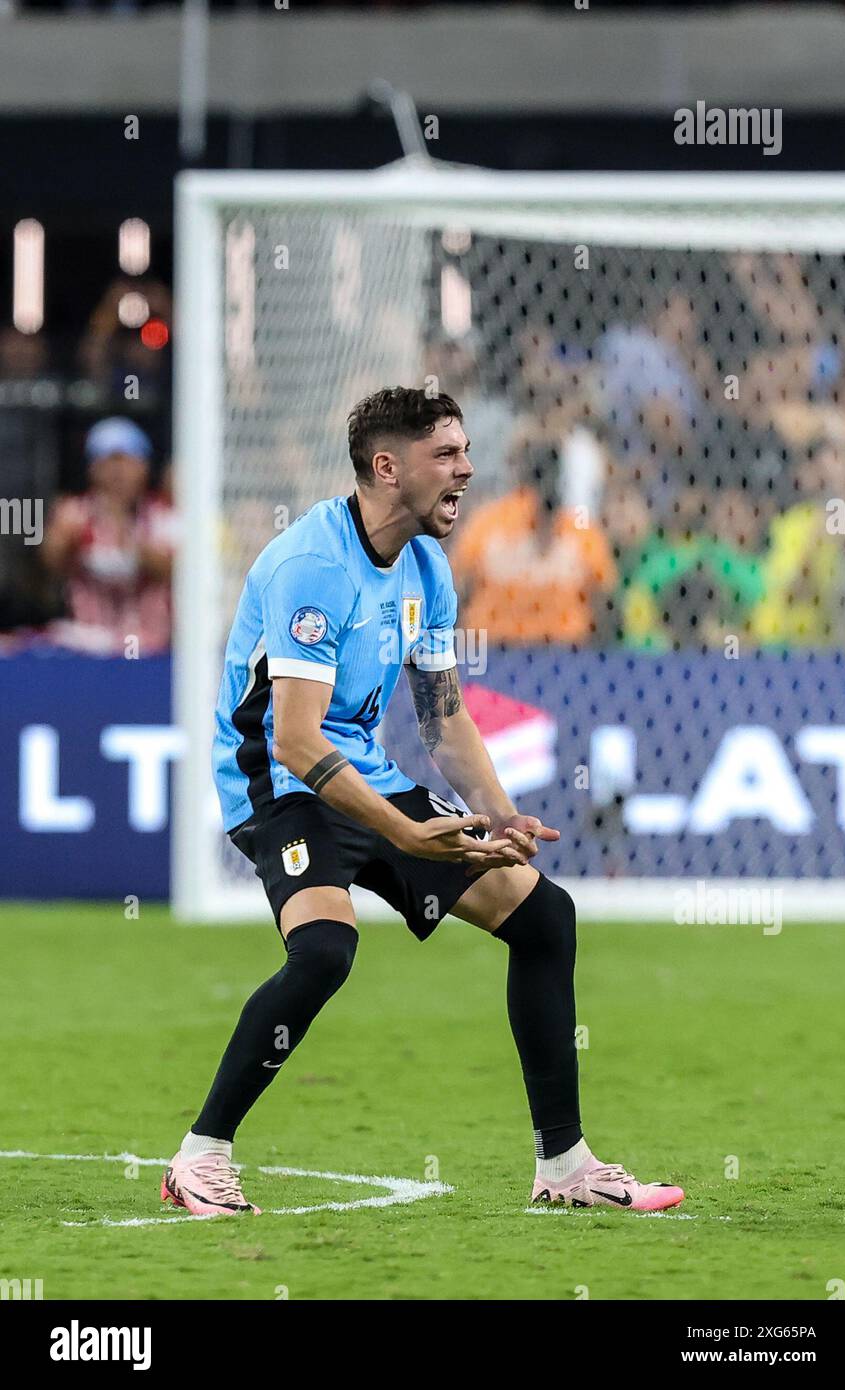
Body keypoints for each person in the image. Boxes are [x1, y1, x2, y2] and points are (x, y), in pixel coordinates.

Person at [162, 387, 684, 1217]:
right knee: (326, 950)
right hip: (276, 781)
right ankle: (200, 1156)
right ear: (386, 466)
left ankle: (565, 1166)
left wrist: (501, 815)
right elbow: (296, 740)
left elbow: (444, 723)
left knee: (544, 917)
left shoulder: (428, 569)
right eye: (447, 455)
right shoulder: (313, 567)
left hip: (360, 769)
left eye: (465, 452)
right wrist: (409, 828)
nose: (467, 470)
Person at [450, 417, 617, 646]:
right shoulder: (488, 522)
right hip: (496, 648)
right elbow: (458, 587)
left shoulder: (578, 528)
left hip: (562, 652)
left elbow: (605, 601)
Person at [41, 417, 175, 655]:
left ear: (143, 466)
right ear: (92, 468)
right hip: (88, 649)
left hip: (151, 651)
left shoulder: (162, 516)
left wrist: (125, 528)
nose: (117, 472)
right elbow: (49, 564)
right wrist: (64, 539)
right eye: (107, 462)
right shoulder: (74, 514)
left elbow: (171, 570)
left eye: (125, 462)